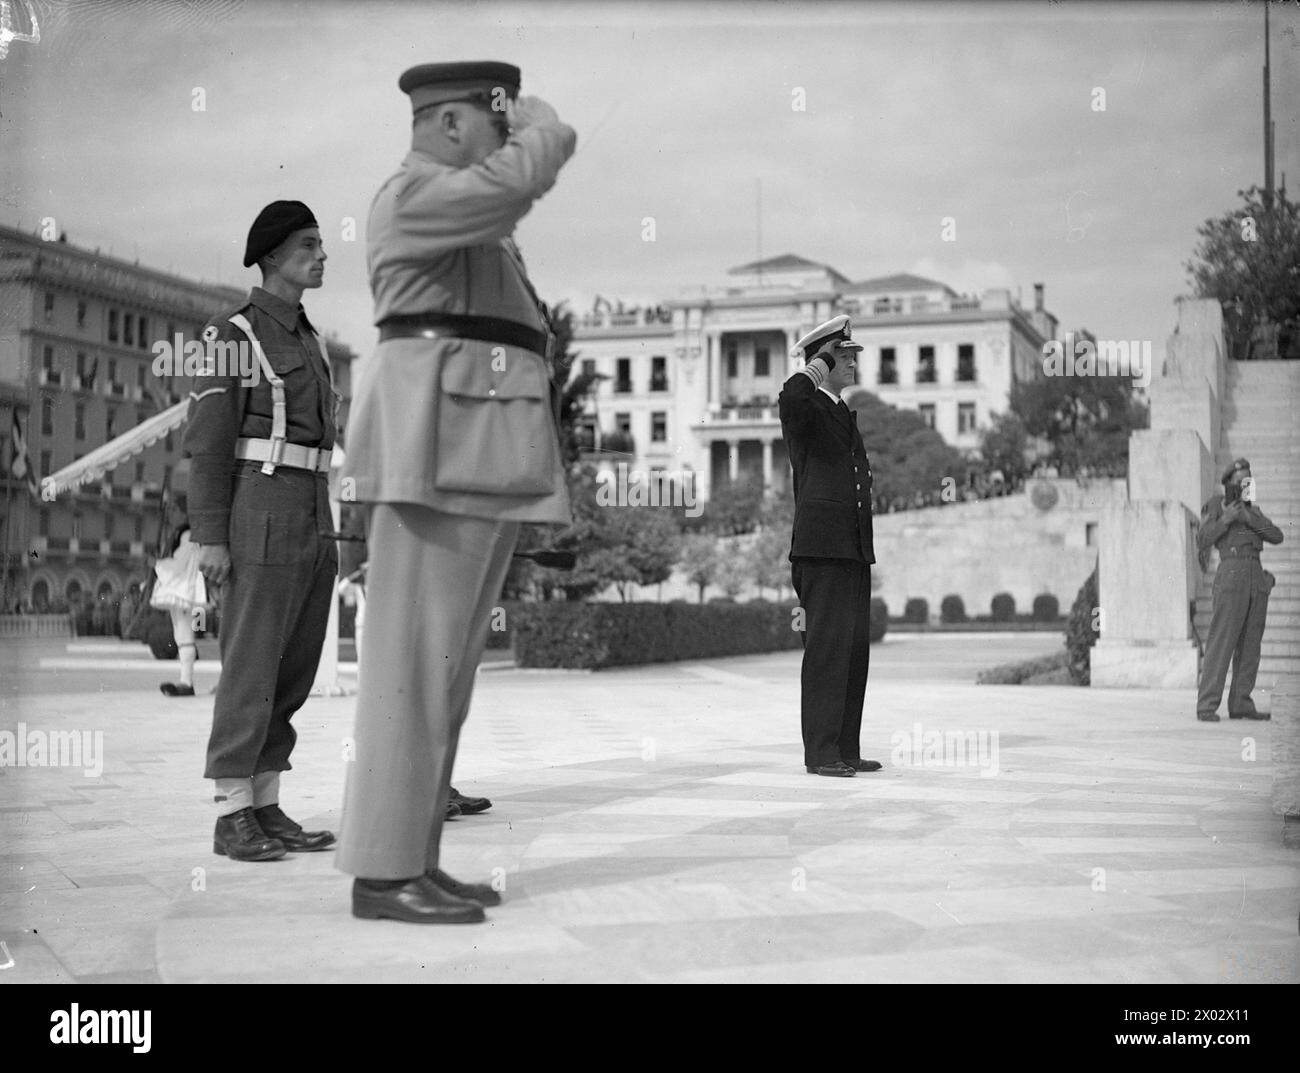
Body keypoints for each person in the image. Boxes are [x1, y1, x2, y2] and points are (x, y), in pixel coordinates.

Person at [335, 61, 575, 923]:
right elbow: (524, 174)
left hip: (474, 449)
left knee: (446, 676)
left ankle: (414, 860)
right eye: (493, 122)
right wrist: (539, 118)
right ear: (447, 124)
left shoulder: (461, 204)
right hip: (433, 450)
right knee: (412, 669)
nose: (505, 141)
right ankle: (382, 871)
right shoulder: (415, 195)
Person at [184, 200, 340, 861]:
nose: (322, 254)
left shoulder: (312, 338)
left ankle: (267, 804)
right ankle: (230, 813)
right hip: (260, 509)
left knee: (293, 667)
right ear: (272, 256)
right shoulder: (233, 336)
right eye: (308, 245)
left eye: (322, 244)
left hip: (311, 510)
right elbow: (209, 444)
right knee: (252, 665)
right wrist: (211, 537)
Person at [778, 315, 882, 778]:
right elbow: (790, 397)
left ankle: (845, 746)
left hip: (852, 549)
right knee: (826, 651)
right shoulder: (807, 407)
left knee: (853, 651)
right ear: (824, 359)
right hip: (822, 549)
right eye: (846, 355)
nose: (854, 362)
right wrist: (817, 363)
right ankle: (820, 753)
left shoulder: (839, 410)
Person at [1195, 458, 1283, 722]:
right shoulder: (1215, 505)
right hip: (1231, 573)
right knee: (1222, 641)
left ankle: (1241, 703)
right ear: (1227, 485)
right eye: (1239, 480)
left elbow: (1277, 535)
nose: (1245, 484)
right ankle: (1207, 705)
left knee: (1250, 646)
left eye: (1248, 479)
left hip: (1256, 577)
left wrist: (1246, 517)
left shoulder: (1253, 511)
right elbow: (1202, 539)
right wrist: (1226, 519)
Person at [150, 495, 205, 696]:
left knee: (184, 634)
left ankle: (186, 682)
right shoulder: (181, 534)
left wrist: (157, 564)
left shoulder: (187, 535)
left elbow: (179, 564)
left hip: (184, 590)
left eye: (174, 510)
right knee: (180, 635)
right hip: (182, 589)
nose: (170, 515)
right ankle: (185, 680)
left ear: (183, 513)